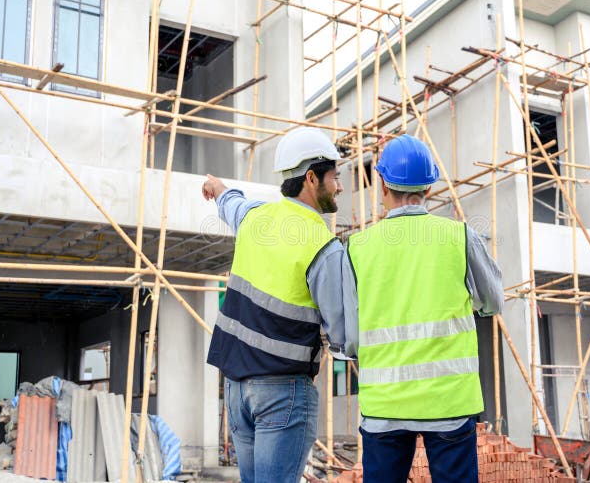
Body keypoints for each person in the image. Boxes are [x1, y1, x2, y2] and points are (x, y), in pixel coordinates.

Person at [344, 134, 503, 483]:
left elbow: (350, 338)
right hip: (448, 404)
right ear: (429, 188)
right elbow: (493, 301)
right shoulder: (459, 236)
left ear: (382, 184)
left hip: (384, 407)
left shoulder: (357, 247)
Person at [201, 127, 349, 483]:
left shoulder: (257, 218)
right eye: (335, 177)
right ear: (311, 178)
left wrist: (218, 188)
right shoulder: (324, 247)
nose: (340, 186)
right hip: (282, 394)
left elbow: (230, 205)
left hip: (236, 389)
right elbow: (346, 333)